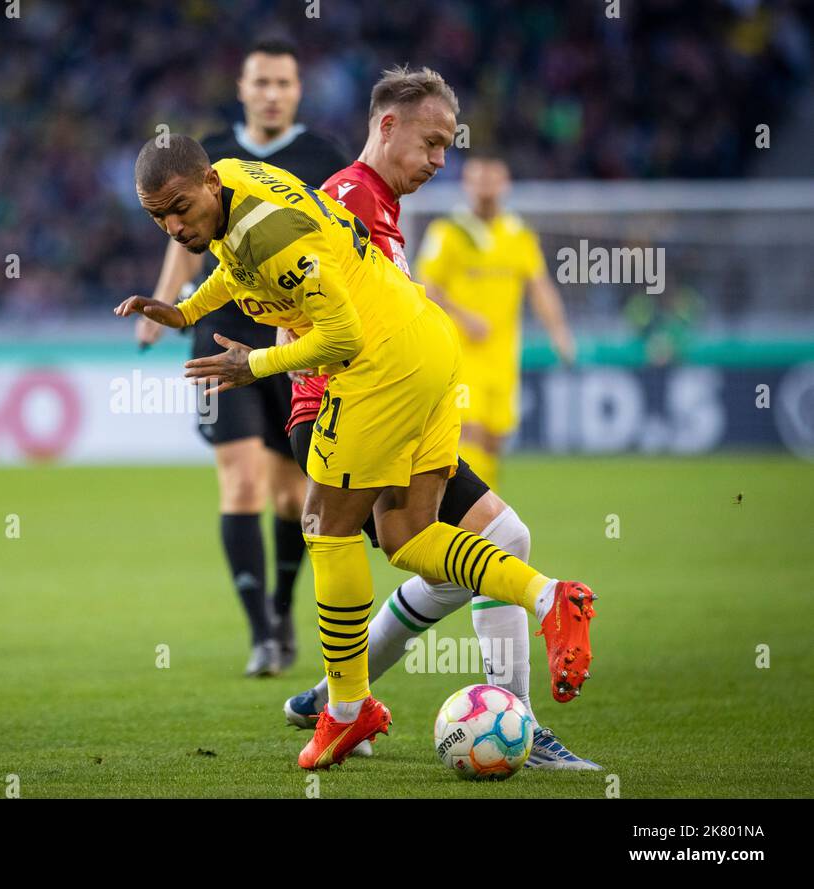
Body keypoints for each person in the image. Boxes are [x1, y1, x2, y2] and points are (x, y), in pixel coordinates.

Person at [116, 136, 597, 770]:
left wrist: (251, 363)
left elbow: (338, 332)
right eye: (159, 217)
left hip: (379, 370)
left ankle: (346, 711)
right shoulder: (233, 180)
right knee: (408, 537)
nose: (174, 226)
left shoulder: (273, 235)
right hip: (430, 349)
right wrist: (184, 312)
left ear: (206, 181)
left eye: (179, 208)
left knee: (324, 524)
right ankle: (549, 597)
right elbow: (238, 267)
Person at [281, 67, 596, 769]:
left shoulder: (379, 205)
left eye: (448, 148)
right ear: (386, 127)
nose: (439, 162)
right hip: (351, 416)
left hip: (393, 410)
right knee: (456, 544)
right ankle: (488, 707)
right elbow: (301, 300)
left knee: (491, 540)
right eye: (431, 144)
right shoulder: (348, 198)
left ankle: (341, 692)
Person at [135, 38, 349, 677]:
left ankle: (281, 609)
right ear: (243, 87)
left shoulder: (322, 156)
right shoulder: (207, 154)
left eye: (284, 82)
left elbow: (338, 234)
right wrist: (169, 304)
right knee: (242, 481)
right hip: (215, 332)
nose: (272, 93)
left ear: (297, 89)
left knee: (293, 496)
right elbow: (186, 241)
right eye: (262, 82)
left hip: (293, 340)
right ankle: (261, 634)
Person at [415, 156, 575, 490]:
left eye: (492, 180)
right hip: (460, 355)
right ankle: (469, 518)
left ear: (505, 184)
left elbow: (539, 286)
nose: (485, 188)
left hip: (502, 356)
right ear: (466, 184)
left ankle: (484, 516)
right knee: (467, 433)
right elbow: (425, 284)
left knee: (494, 441)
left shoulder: (518, 235)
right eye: (478, 180)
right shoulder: (448, 232)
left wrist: (559, 332)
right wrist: (463, 316)